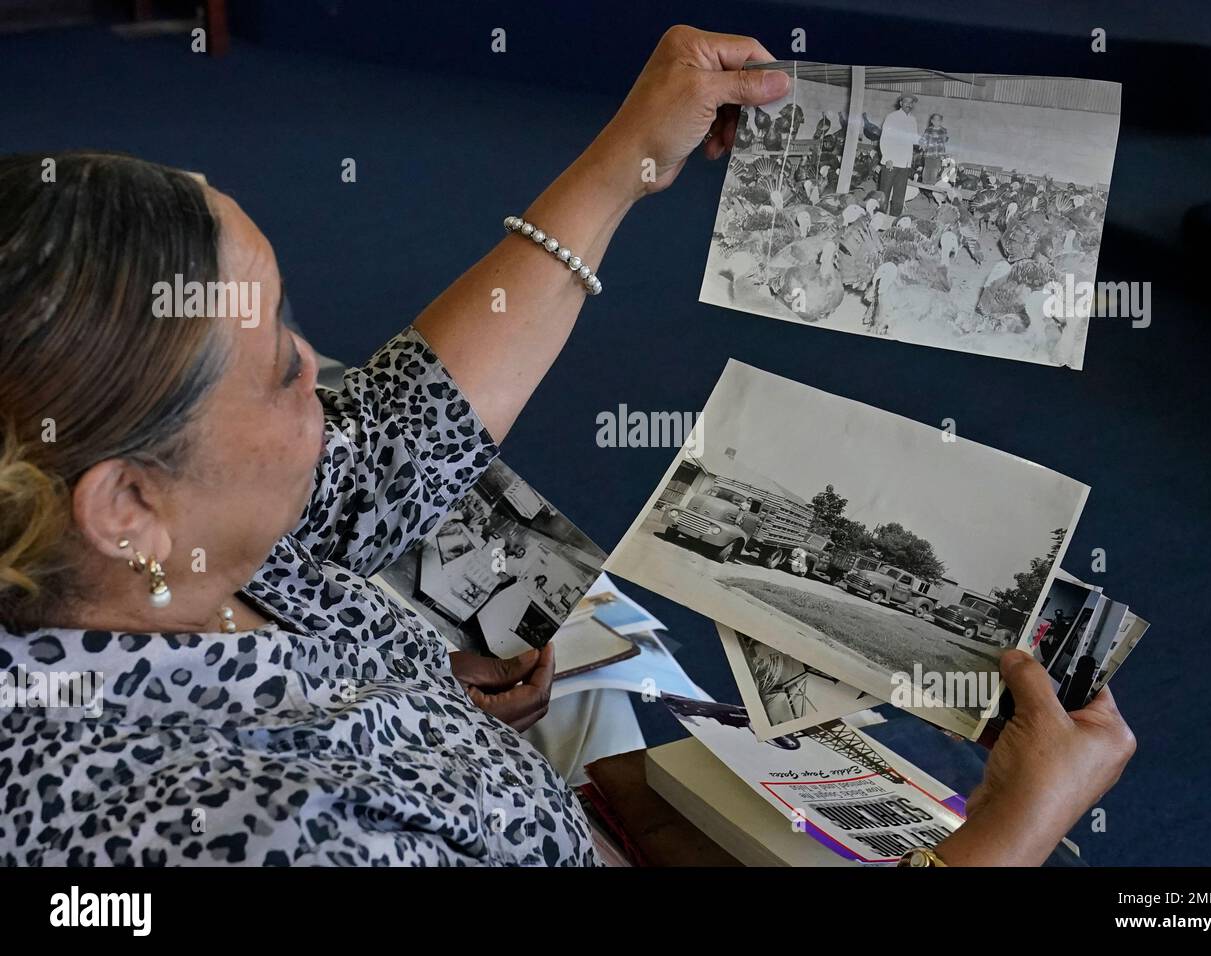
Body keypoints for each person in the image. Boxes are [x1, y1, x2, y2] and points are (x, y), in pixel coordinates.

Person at [0, 25, 1133, 867]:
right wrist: (1006, 835)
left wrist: (411, 696)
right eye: (286, 367)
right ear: (129, 506)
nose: (322, 372)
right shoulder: (261, 830)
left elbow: (397, 434)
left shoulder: (132, 560)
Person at [877, 94, 921, 216]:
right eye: (906, 102)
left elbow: (914, 139)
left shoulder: (913, 120)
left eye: (911, 103)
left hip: (905, 163)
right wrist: (887, 158)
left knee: (899, 195)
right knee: (884, 193)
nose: (909, 104)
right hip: (892, 161)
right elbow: (884, 138)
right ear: (901, 103)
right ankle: (878, 220)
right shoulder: (892, 117)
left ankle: (893, 220)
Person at [920, 112, 949, 184]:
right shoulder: (928, 130)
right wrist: (922, 145)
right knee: (926, 169)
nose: (936, 122)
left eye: (938, 120)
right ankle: (924, 184)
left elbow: (943, 143)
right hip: (929, 154)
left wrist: (943, 156)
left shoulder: (943, 131)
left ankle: (931, 184)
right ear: (932, 121)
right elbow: (923, 139)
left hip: (937, 156)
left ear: (941, 121)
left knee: (934, 171)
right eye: (935, 120)